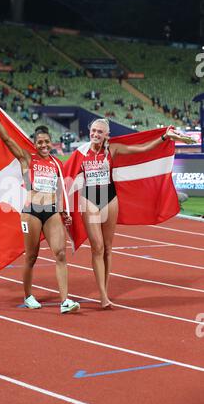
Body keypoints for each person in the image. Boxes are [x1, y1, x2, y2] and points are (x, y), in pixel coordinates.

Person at [77, 118, 195, 308]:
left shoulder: (112, 149)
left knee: (107, 248)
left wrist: (164, 136)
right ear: (89, 131)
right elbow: (65, 172)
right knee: (97, 247)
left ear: (107, 135)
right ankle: (102, 295)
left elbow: (142, 149)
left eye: (100, 132)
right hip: (89, 198)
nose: (96, 134)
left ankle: (104, 292)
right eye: (94, 131)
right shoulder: (81, 152)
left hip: (109, 197)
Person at [0, 95, 80, 314]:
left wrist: (64, 210)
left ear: (51, 142)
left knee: (61, 254)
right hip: (31, 213)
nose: (44, 145)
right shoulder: (27, 159)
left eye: (47, 142)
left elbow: (60, 190)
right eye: (40, 142)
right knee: (31, 256)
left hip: (51, 211)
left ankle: (65, 301)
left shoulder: (56, 163)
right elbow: (7, 139)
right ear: (34, 143)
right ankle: (28, 295)